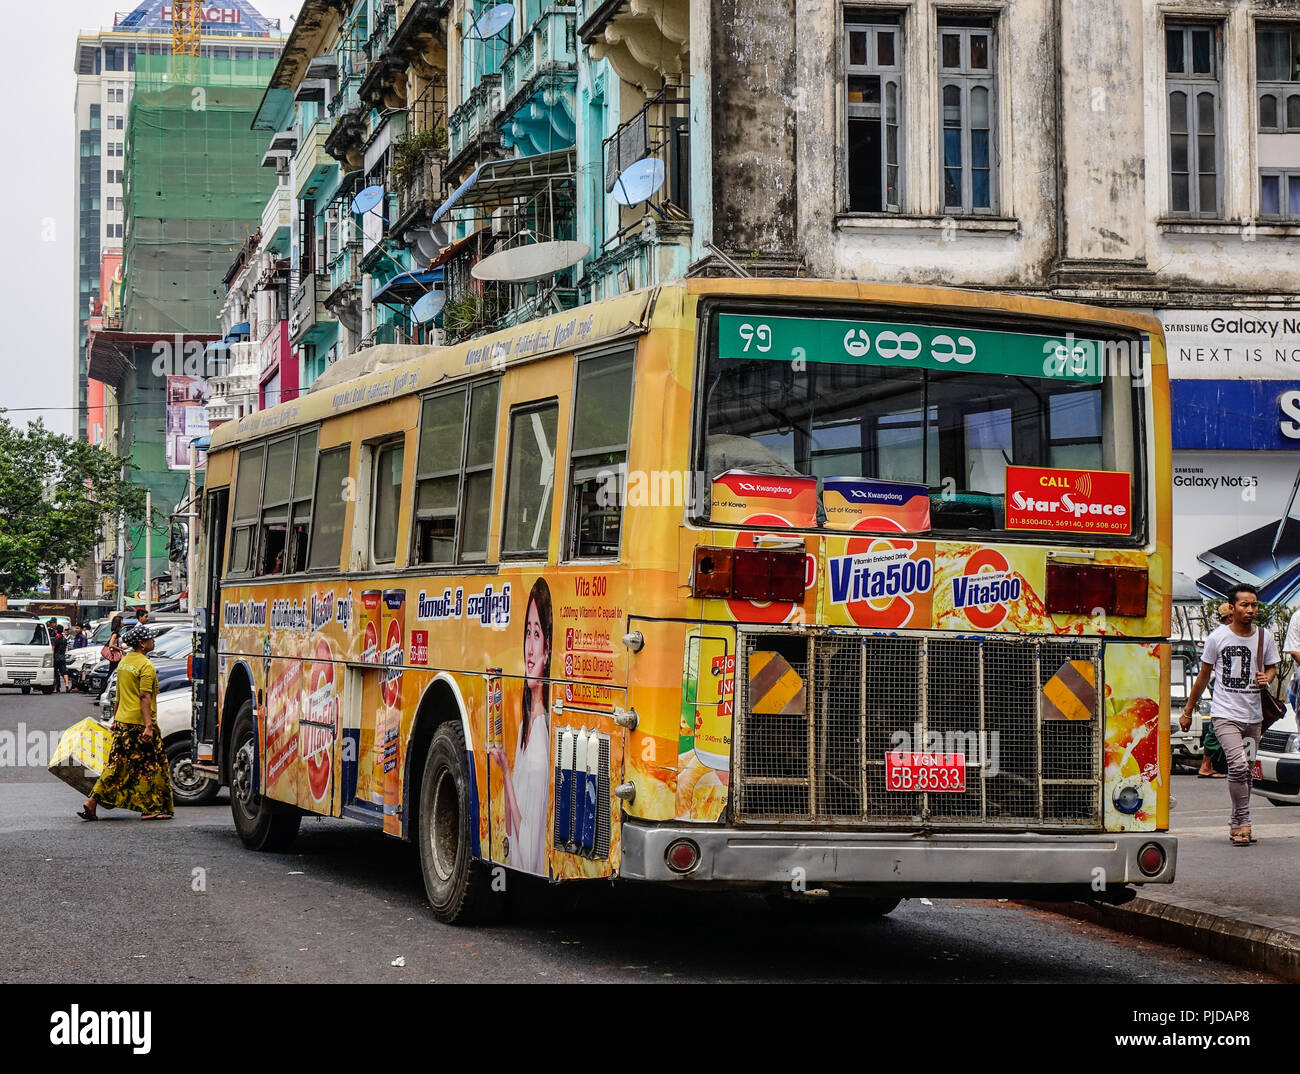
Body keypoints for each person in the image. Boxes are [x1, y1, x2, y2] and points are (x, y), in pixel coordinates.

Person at [1180, 585, 1279, 846]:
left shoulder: (1264, 637)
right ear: (1232, 608)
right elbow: (1203, 677)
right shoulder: (1217, 638)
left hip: (1254, 717)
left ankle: (1236, 823)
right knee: (1237, 765)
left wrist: (1265, 679)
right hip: (1225, 715)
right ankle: (1244, 822)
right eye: (1245, 605)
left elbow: (1272, 669)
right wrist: (1189, 711)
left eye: (1254, 605)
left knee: (1246, 772)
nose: (1250, 610)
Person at [488, 578, 553, 874]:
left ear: (547, 649)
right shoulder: (526, 728)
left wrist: (505, 772)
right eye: (527, 633)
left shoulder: (540, 736)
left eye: (536, 634)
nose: (529, 648)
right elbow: (511, 834)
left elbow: (527, 847)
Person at [77, 625, 173, 821]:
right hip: (139, 724)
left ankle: (92, 802)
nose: (153, 642)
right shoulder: (145, 665)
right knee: (149, 767)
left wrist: (115, 720)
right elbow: (144, 696)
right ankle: (149, 808)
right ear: (142, 644)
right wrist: (148, 726)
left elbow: (118, 695)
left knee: (116, 766)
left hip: (122, 722)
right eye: (150, 639)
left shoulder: (124, 662)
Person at [1196, 603, 1234, 778]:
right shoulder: (1218, 637)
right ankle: (1206, 765)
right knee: (1216, 727)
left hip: (1227, 688)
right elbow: (1206, 672)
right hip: (1220, 687)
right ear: (1229, 617)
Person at [51, 626, 69, 693]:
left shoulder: (54, 639)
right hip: (62, 657)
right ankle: (67, 685)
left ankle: (55, 688)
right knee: (64, 672)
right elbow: (65, 649)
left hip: (56, 657)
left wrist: (52, 657)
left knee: (55, 673)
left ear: (56, 631)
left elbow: (53, 649)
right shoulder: (64, 639)